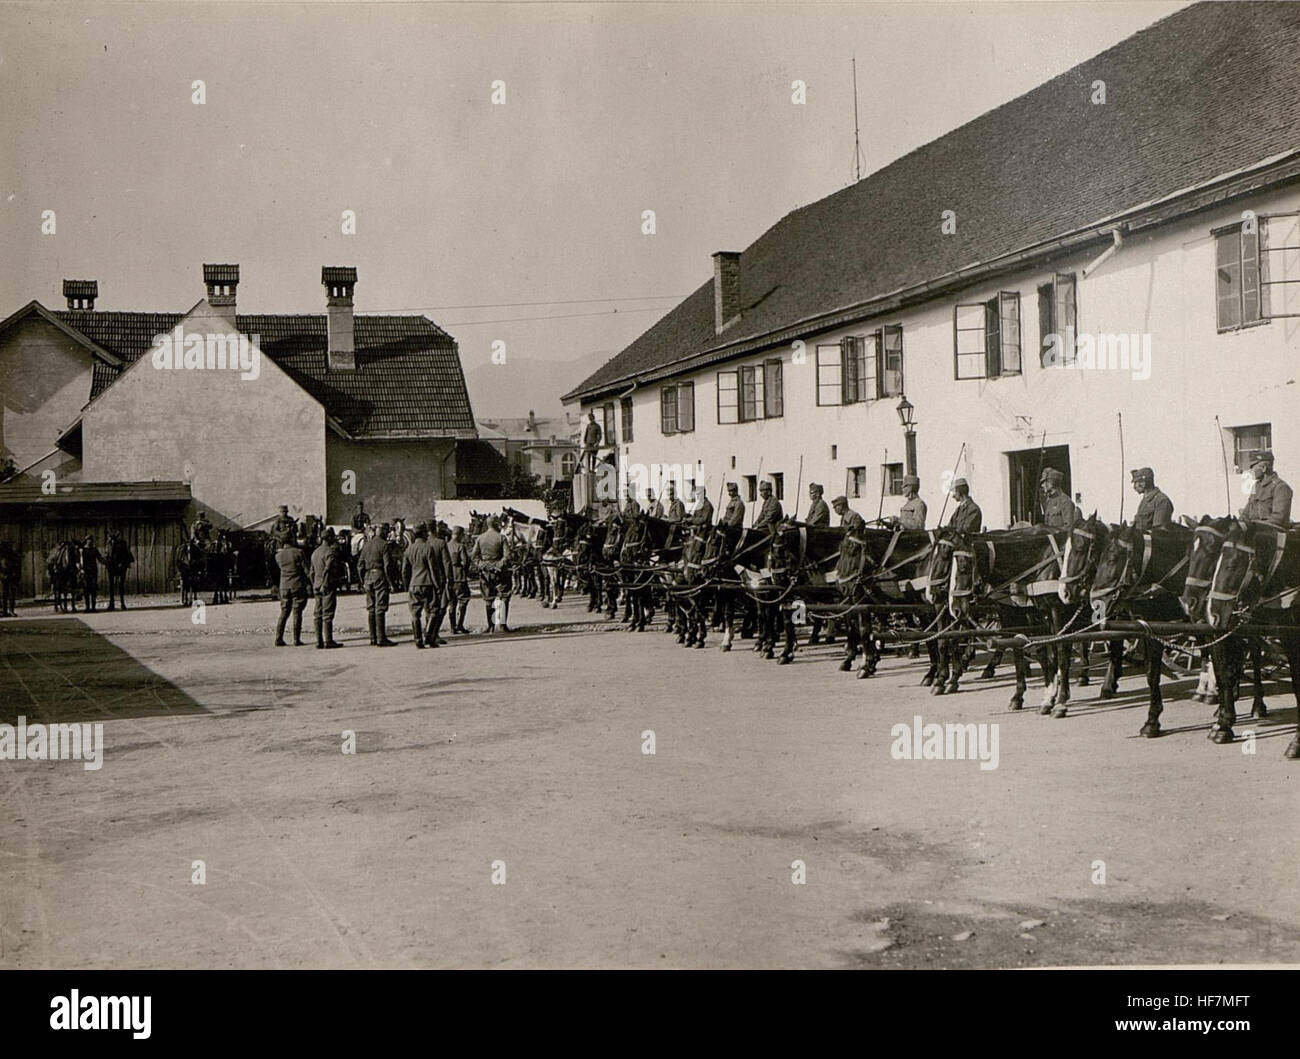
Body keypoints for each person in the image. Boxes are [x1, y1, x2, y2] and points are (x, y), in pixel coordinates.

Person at [403, 524, 441, 649]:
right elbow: (433, 568)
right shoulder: (428, 548)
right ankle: (429, 637)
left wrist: (407, 585)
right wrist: (437, 585)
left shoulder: (408, 549)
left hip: (414, 584)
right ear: (424, 533)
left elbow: (404, 571)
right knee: (434, 610)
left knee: (415, 613)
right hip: (428, 583)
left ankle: (418, 639)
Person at [358, 522, 397, 646]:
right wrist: (391, 583)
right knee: (380, 608)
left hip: (367, 578)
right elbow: (387, 566)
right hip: (380, 577)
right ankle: (381, 638)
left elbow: (360, 566)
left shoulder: (367, 545)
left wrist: (362, 581)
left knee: (371, 608)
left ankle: (372, 638)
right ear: (384, 532)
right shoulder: (384, 545)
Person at [472, 516, 511, 633]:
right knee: (503, 597)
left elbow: (474, 556)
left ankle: (491, 626)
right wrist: (499, 565)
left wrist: (483, 565)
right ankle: (502, 625)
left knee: (489, 599)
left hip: (486, 573)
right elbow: (507, 556)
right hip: (500, 572)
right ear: (496, 524)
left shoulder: (480, 538)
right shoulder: (501, 537)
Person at [274, 531, 311, 647]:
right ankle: (296, 639)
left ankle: (278, 638)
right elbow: (306, 570)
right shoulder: (299, 552)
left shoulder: (278, 555)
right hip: (297, 585)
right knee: (297, 612)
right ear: (292, 539)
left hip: (284, 586)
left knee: (284, 612)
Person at [311, 527, 346, 648]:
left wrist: (315, 584)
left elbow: (311, 572)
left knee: (317, 614)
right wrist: (325, 584)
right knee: (328, 614)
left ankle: (318, 641)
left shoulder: (315, 552)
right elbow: (328, 569)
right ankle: (328, 641)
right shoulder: (330, 552)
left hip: (316, 585)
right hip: (327, 585)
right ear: (330, 538)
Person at [1241, 450, 1293, 527]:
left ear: (1263, 468)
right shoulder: (1256, 486)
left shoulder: (1280, 487)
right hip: (1256, 531)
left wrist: (1254, 526)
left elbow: (1278, 519)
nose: (1250, 471)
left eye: (1253, 468)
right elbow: (1246, 513)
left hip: (1272, 533)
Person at [447, 526, 472, 633]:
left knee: (452, 603)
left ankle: (452, 627)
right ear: (460, 535)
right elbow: (466, 562)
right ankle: (460, 625)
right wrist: (465, 571)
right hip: (460, 577)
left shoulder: (446, 546)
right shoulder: (460, 546)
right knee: (463, 601)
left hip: (449, 578)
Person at [79, 535, 107, 612]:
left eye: (91, 540)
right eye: (88, 540)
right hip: (85, 572)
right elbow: (80, 561)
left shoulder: (94, 550)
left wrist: (106, 562)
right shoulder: (83, 550)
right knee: (86, 589)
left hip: (93, 572)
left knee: (93, 589)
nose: (90, 541)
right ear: (86, 541)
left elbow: (100, 558)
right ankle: (87, 607)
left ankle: (93, 607)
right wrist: (81, 569)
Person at [0, 538, 20, 617]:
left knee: (6, 594)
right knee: (8, 594)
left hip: (8, 576)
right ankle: (8, 610)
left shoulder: (12, 556)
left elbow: (17, 566)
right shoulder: (13, 555)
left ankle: (7, 610)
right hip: (8, 576)